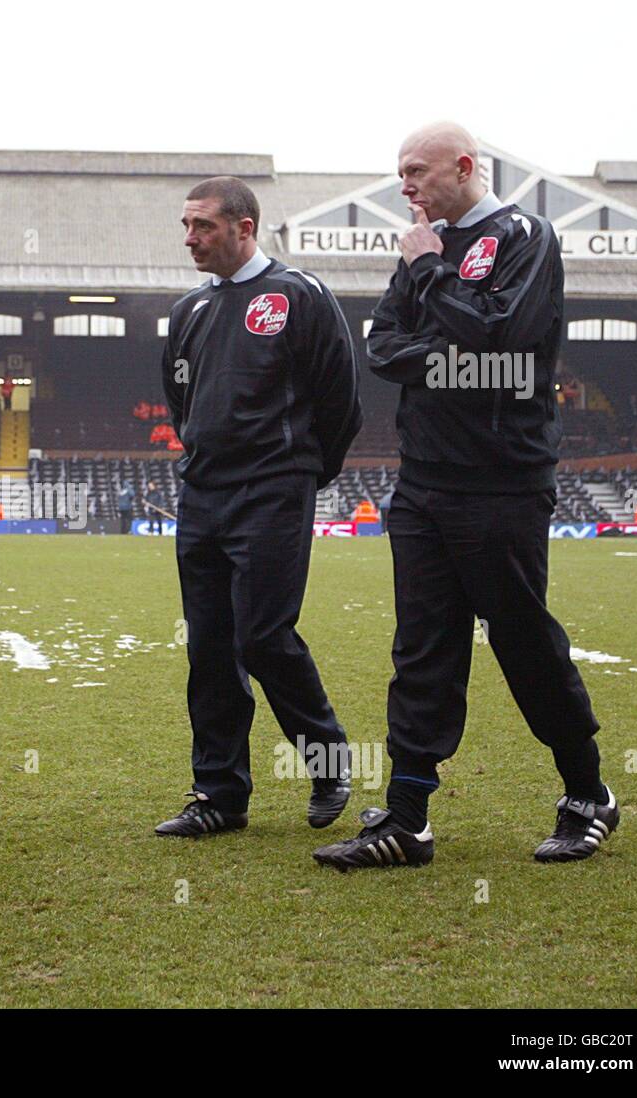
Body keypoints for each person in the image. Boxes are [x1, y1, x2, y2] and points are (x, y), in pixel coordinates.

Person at [315, 122, 614, 872]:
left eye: (416, 172)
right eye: (399, 175)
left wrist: (434, 283)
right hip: (424, 481)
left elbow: (506, 335)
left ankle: (588, 795)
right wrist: (453, 342)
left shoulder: (526, 236)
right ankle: (408, 819)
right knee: (422, 646)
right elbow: (383, 345)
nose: (405, 188)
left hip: (502, 480)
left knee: (520, 638)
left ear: (465, 167)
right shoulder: (423, 248)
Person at [157, 176, 362, 838]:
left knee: (264, 636)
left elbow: (341, 398)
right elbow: (180, 400)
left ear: (245, 227)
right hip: (204, 495)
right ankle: (219, 795)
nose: (190, 237)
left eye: (203, 226)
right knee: (210, 648)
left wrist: (304, 470)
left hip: (274, 489)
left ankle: (329, 762)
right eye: (186, 226)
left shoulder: (299, 296)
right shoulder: (188, 311)